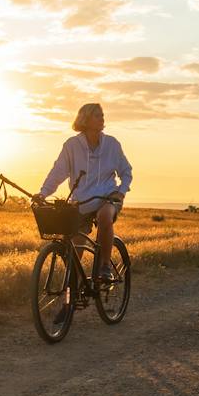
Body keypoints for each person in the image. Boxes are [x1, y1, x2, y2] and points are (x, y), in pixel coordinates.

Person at [37, 102, 132, 281]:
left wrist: (121, 192)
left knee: (105, 217)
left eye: (102, 115)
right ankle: (72, 290)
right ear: (86, 119)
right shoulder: (72, 145)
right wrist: (43, 193)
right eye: (98, 115)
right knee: (75, 250)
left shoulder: (112, 144)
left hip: (108, 197)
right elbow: (58, 172)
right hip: (81, 202)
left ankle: (104, 267)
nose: (102, 118)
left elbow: (126, 172)